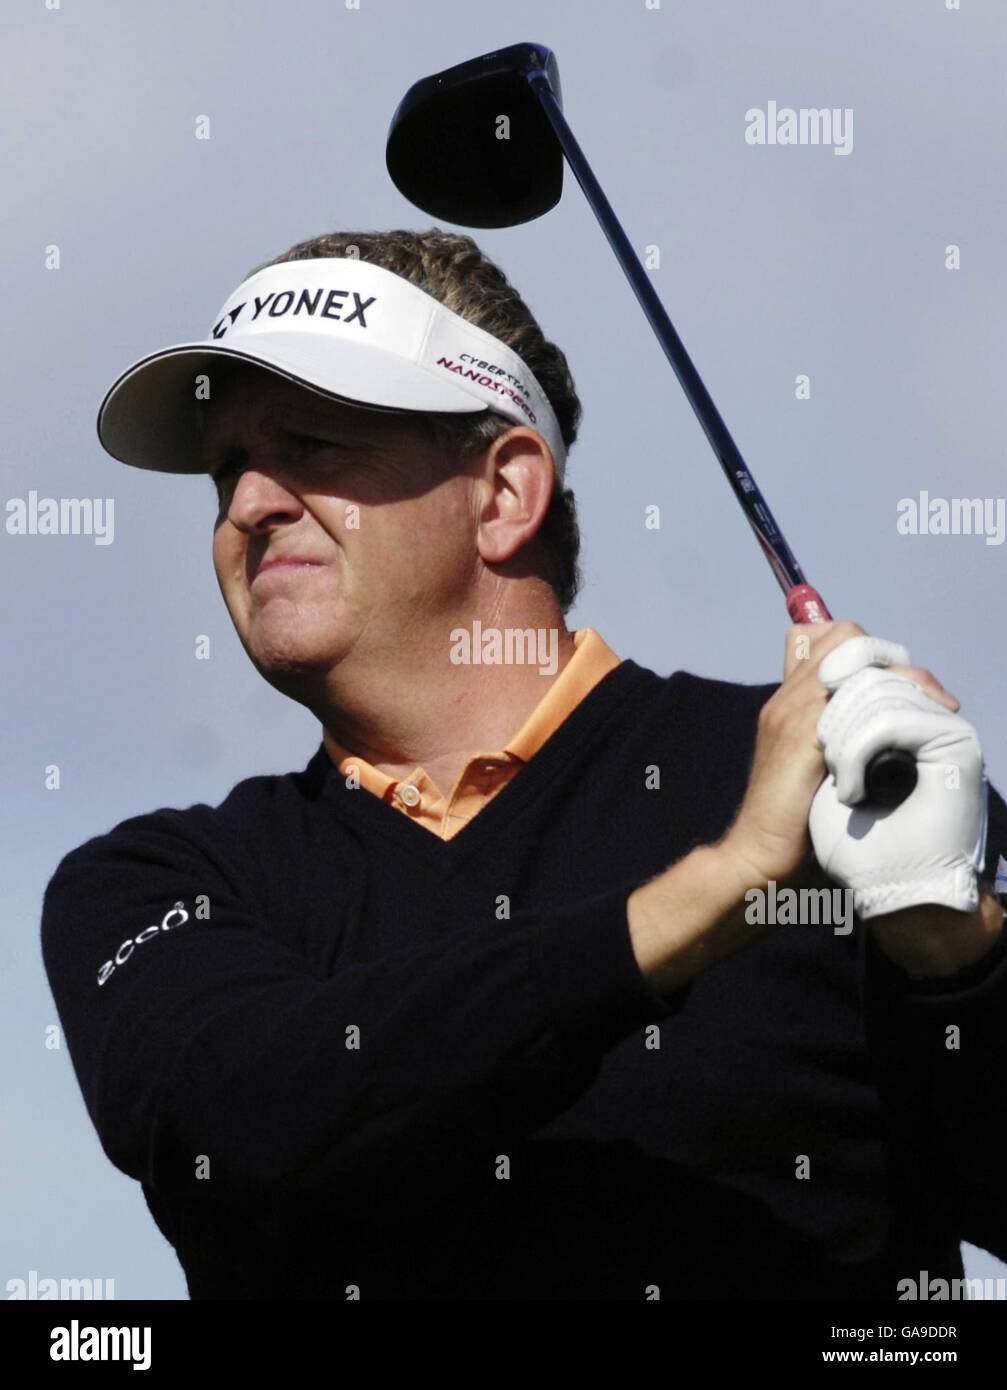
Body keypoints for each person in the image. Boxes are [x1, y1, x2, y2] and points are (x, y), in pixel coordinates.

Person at [41, 228, 1007, 1300]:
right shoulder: (157, 880)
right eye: (228, 468)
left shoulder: (844, 789)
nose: (247, 506)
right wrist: (718, 888)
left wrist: (955, 964)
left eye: (311, 446)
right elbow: (252, 1117)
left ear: (503, 494)